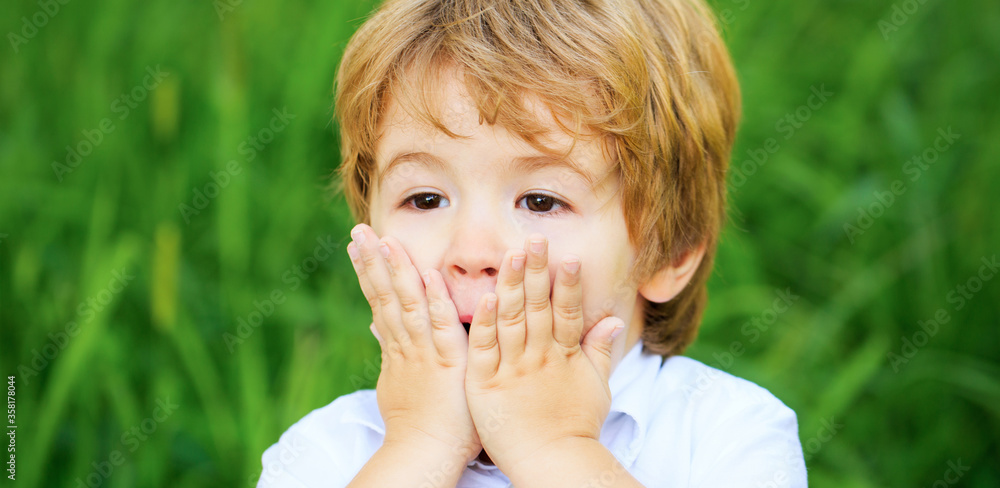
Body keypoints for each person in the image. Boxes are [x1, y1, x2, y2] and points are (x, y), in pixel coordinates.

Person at [258, 0, 807, 486]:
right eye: (425, 199)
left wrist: (553, 448)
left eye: (541, 202)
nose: (472, 254)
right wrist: (422, 444)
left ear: (671, 250)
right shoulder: (327, 452)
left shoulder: (726, 433)